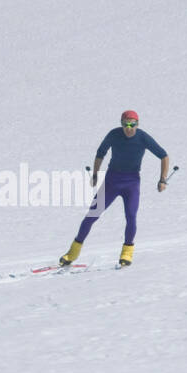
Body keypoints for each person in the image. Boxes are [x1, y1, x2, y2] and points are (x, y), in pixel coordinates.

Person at [59, 110, 171, 267]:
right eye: (125, 124)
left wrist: (162, 179)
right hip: (112, 181)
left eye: (132, 124)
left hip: (131, 183)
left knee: (131, 216)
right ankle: (72, 253)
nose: (129, 127)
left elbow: (163, 156)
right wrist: (96, 174)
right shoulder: (114, 134)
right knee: (92, 215)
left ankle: (127, 252)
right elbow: (101, 152)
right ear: (121, 123)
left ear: (137, 124)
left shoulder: (143, 137)